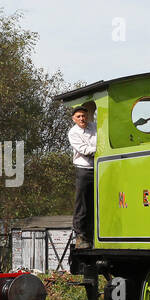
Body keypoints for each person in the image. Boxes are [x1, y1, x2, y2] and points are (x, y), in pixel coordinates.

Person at [68, 105, 97, 249]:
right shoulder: (73, 133)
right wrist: (101, 149)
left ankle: (93, 235)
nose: (82, 119)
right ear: (74, 119)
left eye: (83, 116)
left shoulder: (95, 127)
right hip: (83, 170)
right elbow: (84, 150)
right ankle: (80, 235)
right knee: (82, 204)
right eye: (78, 117)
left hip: (98, 167)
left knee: (94, 203)